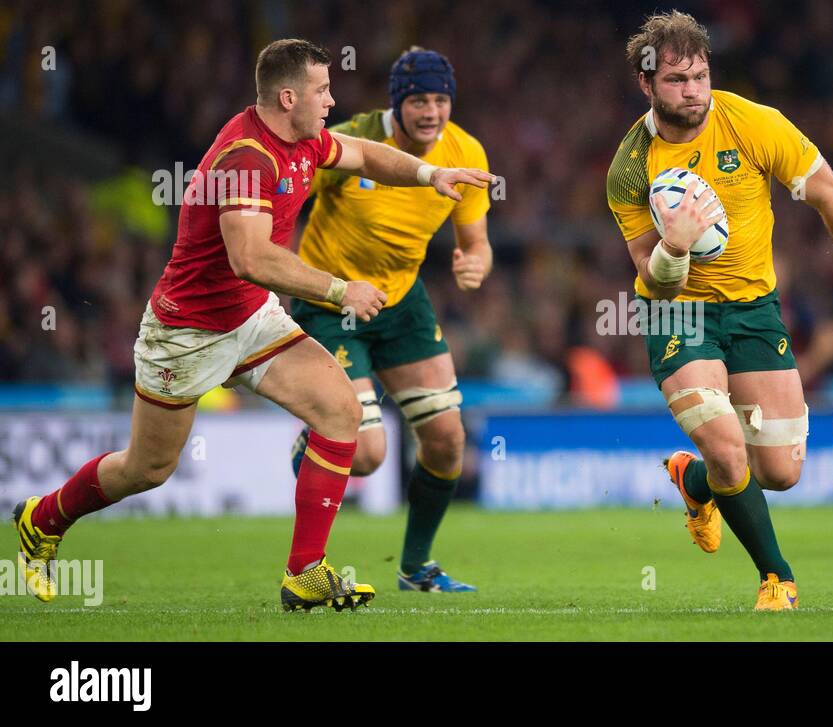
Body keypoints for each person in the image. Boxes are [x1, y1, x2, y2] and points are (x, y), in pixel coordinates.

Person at [12, 39, 493, 612]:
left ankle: (304, 574)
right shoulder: (246, 158)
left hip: (251, 320)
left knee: (340, 411)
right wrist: (342, 289)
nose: (331, 99)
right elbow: (252, 258)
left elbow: (364, 155)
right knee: (147, 469)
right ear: (288, 96)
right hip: (187, 333)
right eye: (322, 90)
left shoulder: (305, 137)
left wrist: (428, 174)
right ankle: (42, 519)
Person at [606, 11, 833, 610]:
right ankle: (777, 577)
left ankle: (693, 480)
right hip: (677, 314)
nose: (694, 91)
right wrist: (675, 246)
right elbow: (650, 285)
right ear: (646, 84)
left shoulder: (754, 124)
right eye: (678, 81)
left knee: (781, 471)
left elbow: (830, 194)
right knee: (728, 446)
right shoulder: (630, 167)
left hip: (755, 308)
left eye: (701, 76)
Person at [288, 47, 490, 593]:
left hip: (401, 303)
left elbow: (477, 243)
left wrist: (475, 263)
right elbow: (289, 204)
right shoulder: (349, 140)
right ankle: (311, 450)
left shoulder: (466, 151)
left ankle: (415, 568)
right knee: (370, 454)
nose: (431, 112)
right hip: (333, 302)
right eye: (419, 100)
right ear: (396, 104)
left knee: (447, 439)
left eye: (441, 100)